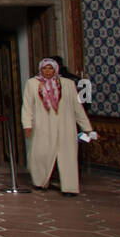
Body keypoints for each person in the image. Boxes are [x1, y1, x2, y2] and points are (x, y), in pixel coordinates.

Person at [21, 59, 96, 196]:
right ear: (40, 69)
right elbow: (27, 107)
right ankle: (40, 182)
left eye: (51, 68)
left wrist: (87, 128)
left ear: (56, 69)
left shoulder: (67, 84)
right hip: (42, 125)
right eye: (45, 68)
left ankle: (69, 188)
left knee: (67, 157)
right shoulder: (32, 84)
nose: (48, 71)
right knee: (40, 154)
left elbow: (77, 107)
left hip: (65, 125)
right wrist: (27, 125)